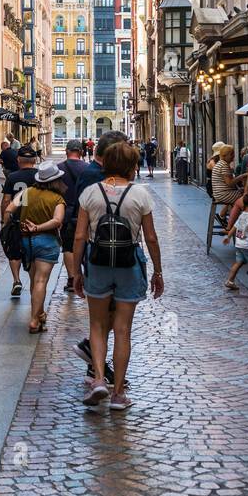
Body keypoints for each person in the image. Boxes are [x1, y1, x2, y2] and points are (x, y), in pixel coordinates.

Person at [73, 139, 164, 410]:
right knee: (123, 329)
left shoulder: (90, 192)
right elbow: (150, 237)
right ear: (132, 167)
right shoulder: (141, 195)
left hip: (98, 262)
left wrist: (76, 271)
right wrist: (157, 271)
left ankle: (99, 379)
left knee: (98, 326)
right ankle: (118, 394)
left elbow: (79, 236)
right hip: (129, 263)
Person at [15, 161, 66, 333]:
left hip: (27, 241)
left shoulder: (27, 192)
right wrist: (39, 227)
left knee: (34, 280)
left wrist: (15, 225)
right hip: (47, 242)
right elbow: (57, 221)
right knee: (41, 281)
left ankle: (40, 313)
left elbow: (9, 209)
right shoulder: (58, 198)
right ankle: (34, 320)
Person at [0, 144, 40, 297]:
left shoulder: (12, 177)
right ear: (34, 160)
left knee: (14, 252)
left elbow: (6, 200)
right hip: (36, 221)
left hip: (16, 220)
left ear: (18, 160)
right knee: (33, 253)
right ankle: (34, 281)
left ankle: (16, 280)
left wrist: (4, 220)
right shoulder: (39, 176)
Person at [58, 138, 88, 291]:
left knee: (68, 247)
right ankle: (87, 277)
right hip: (86, 213)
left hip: (66, 213)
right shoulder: (88, 169)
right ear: (81, 152)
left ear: (66, 151)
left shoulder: (59, 169)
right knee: (86, 243)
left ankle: (72, 279)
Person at [223, 191, 248, 291]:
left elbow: (234, 227)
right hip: (247, 245)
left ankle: (230, 280)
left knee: (238, 262)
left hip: (239, 244)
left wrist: (228, 237)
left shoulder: (242, 215)